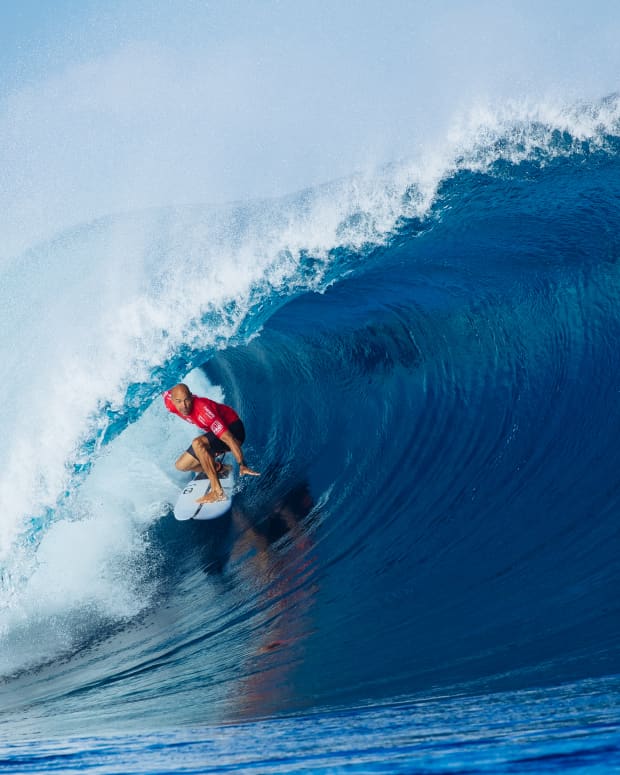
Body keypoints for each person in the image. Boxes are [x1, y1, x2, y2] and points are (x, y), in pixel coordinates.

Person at [164, 383, 259, 504]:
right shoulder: (169, 402)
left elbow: (229, 439)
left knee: (198, 443)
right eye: (178, 401)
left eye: (187, 400)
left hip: (234, 431)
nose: (184, 406)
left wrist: (242, 464)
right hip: (215, 434)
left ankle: (217, 492)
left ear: (192, 397)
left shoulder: (203, 410)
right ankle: (221, 469)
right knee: (181, 466)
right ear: (172, 401)